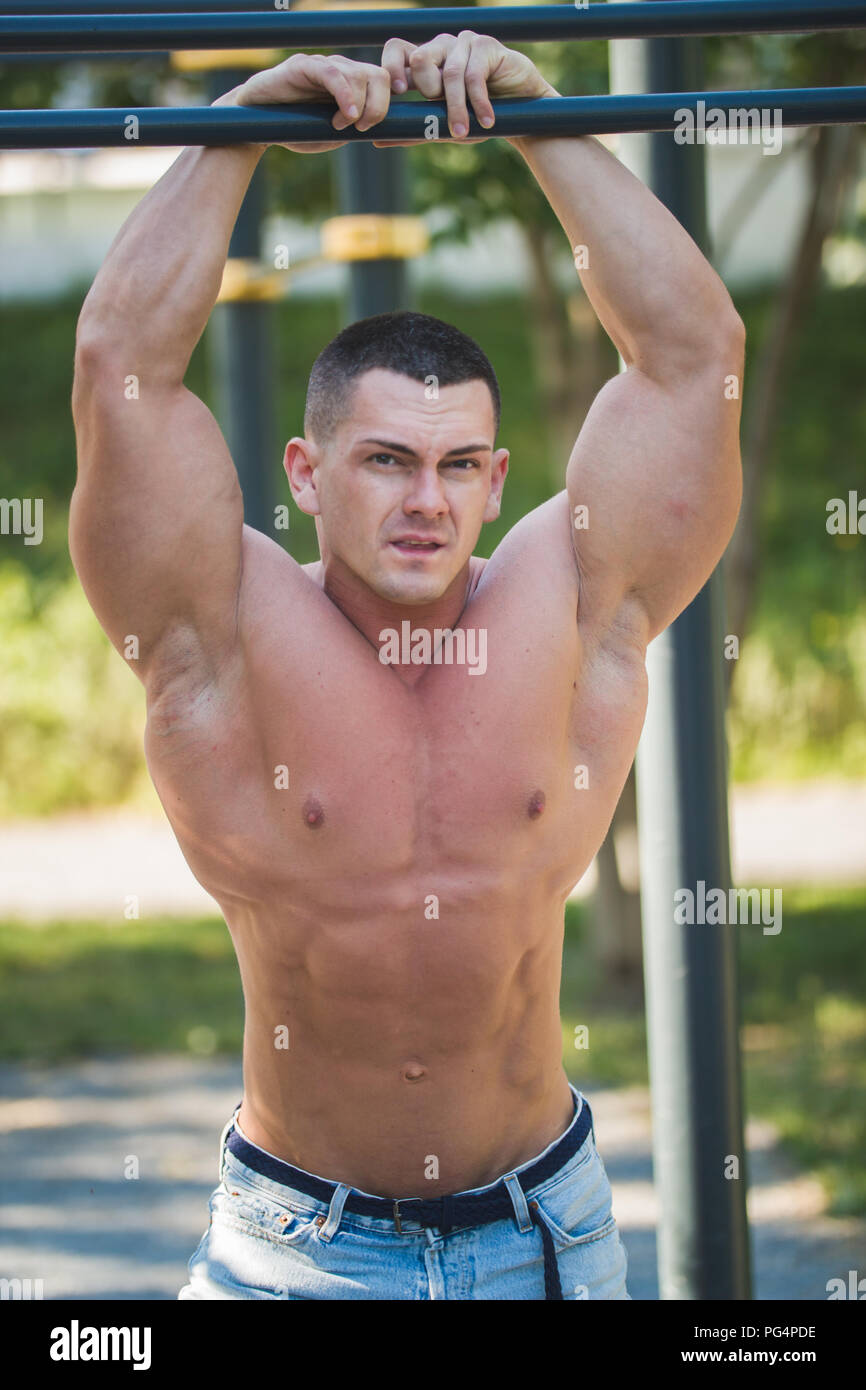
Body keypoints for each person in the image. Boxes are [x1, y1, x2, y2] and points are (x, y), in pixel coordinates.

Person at [69, 30, 744, 1300]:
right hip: (295, 1250)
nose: (422, 500)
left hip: (544, 1232)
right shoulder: (221, 638)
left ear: (495, 481)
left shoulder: (572, 608)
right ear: (306, 474)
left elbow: (692, 362)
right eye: (383, 460)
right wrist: (241, 129)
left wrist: (542, 119)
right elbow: (123, 373)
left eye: (452, 466)